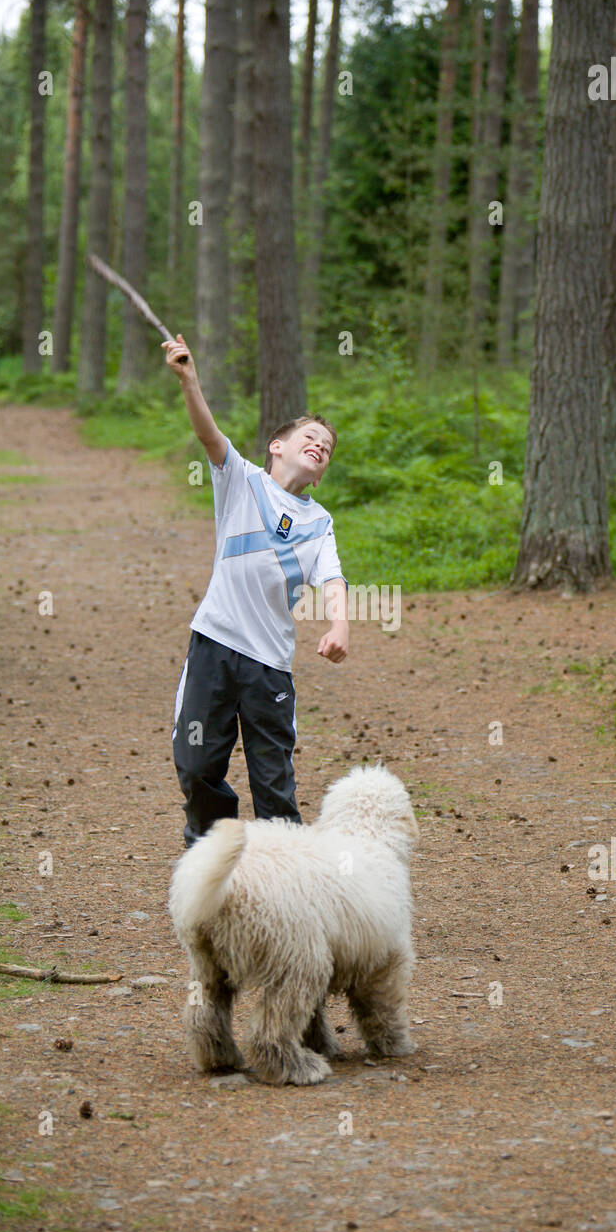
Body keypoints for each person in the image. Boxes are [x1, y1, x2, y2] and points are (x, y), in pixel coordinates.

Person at [163, 334, 349, 847]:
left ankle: (287, 892)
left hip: (270, 667)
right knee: (197, 765)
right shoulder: (240, 480)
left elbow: (332, 578)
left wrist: (340, 624)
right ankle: (211, 860)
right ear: (277, 446)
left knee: (275, 788)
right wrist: (189, 379)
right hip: (215, 646)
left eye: (327, 448)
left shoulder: (319, 521)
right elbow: (208, 434)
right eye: (311, 437)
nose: (319, 446)